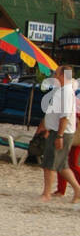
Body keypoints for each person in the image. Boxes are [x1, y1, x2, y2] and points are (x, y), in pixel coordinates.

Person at [40, 66, 80, 202]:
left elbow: (65, 116)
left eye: (56, 74)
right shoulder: (63, 91)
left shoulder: (66, 93)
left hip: (61, 132)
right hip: (57, 131)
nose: (55, 76)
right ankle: (78, 190)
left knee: (50, 164)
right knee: (61, 165)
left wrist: (59, 136)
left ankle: (46, 194)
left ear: (63, 76)